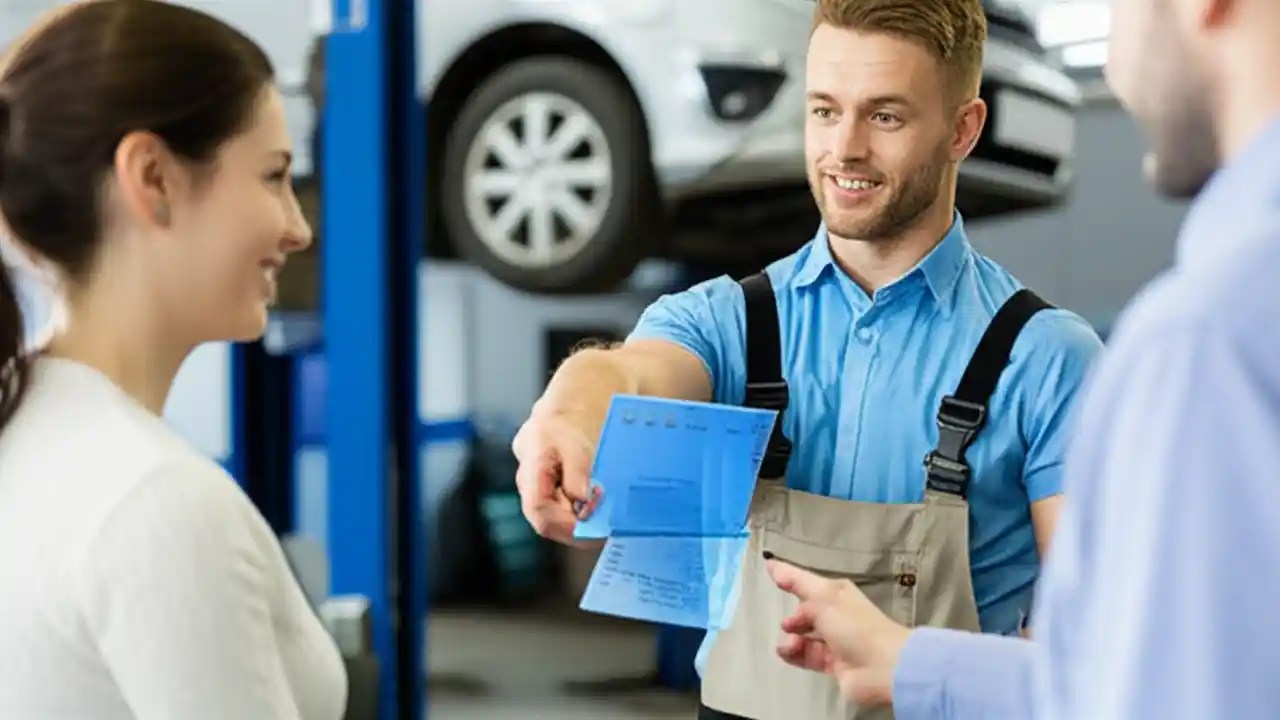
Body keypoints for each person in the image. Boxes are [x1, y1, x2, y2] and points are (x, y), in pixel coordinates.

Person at [512, 1, 1103, 718]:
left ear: (963, 129)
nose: (844, 149)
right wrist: (567, 418)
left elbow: (1092, 644)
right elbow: (628, 371)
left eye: (884, 116)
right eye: (824, 111)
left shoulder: (1047, 360)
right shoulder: (729, 321)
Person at [762, 0, 1280, 717]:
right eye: (824, 110)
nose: (1117, 70)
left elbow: (1141, 692)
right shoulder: (736, 313)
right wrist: (911, 661)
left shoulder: (1202, 340)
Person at [0, 2, 346, 718]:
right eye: (273, 176)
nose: (297, 228)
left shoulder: (25, 421)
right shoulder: (154, 501)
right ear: (153, 177)